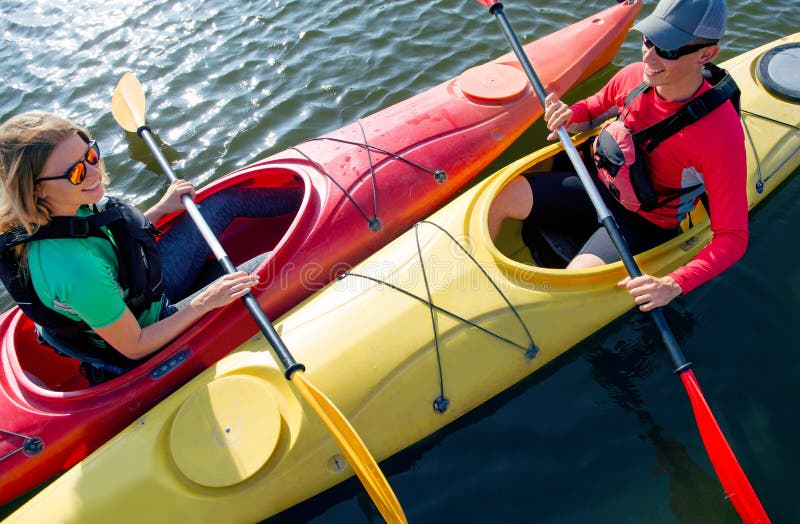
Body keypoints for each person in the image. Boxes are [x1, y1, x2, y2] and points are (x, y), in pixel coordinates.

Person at [0, 111, 301, 381]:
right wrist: (206, 300)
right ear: (35, 188)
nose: (93, 173)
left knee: (225, 202)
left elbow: (107, 235)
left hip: (145, 291)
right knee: (275, 264)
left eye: (90, 155)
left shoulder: (66, 204)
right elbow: (135, 346)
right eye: (75, 173)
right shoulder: (73, 269)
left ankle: (314, 197)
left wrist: (158, 210)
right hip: (151, 328)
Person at [489, 0, 747, 313]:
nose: (649, 56)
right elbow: (591, 109)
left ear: (706, 55)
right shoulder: (633, 76)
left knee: (572, 286)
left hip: (644, 221)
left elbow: (732, 238)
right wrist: (567, 116)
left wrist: (673, 284)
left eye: (667, 49)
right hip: (598, 186)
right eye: (648, 40)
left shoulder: (720, 136)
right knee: (504, 196)